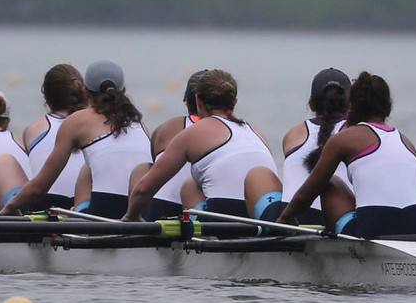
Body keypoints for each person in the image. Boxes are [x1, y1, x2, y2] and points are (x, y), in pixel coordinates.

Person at [269, 71, 416, 238]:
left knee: (329, 182)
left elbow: (308, 192)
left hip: (371, 230)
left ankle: (336, 249)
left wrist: (286, 218)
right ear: (389, 107)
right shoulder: (406, 141)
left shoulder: (343, 139)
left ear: (352, 106)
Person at [123, 70, 279, 225]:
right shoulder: (256, 132)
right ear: (235, 102)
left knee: (190, 185)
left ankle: (201, 234)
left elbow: (144, 188)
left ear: (198, 101)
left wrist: (132, 216)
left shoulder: (192, 133)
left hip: (223, 220)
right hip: (262, 217)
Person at [1, 59, 149, 218]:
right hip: (143, 215)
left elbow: (39, 188)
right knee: (88, 169)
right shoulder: (140, 124)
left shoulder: (77, 121)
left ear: (86, 91)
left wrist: (10, 207)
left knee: (86, 169)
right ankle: (77, 212)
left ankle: (76, 213)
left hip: (102, 217)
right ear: (124, 90)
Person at [274, 67, 355, 226]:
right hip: (337, 219)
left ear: (311, 104)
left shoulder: (292, 134)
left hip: (294, 220)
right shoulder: (358, 133)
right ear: (350, 105)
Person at [17, 63, 92, 210]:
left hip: (44, 203)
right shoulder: (99, 126)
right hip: (87, 205)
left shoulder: (33, 129)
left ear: (46, 96)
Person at [137, 73, 206, 221]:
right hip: (200, 212)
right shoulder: (233, 131)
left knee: (144, 168)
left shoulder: (166, 128)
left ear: (187, 101)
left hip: (158, 208)